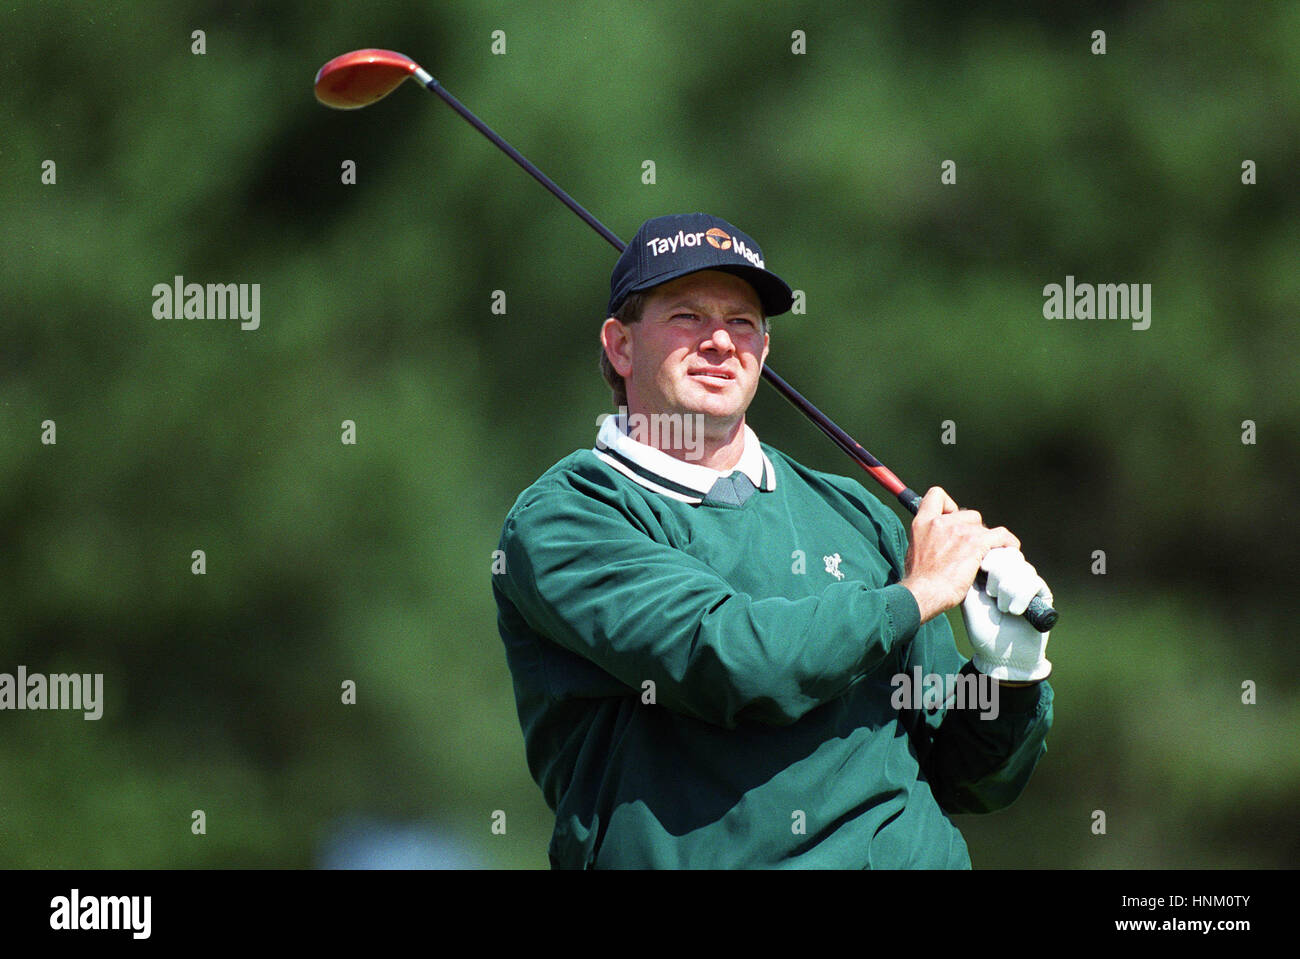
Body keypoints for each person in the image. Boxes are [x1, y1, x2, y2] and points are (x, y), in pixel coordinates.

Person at [491, 212, 1055, 868]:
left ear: (763, 350)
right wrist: (919, 592)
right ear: (620, 346)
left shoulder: (850, 512)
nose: (719, 342)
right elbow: (733, 660)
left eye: (742, 322)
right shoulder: (569, 516)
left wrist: (1010, 671)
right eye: (686, 316)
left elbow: (968, 779)